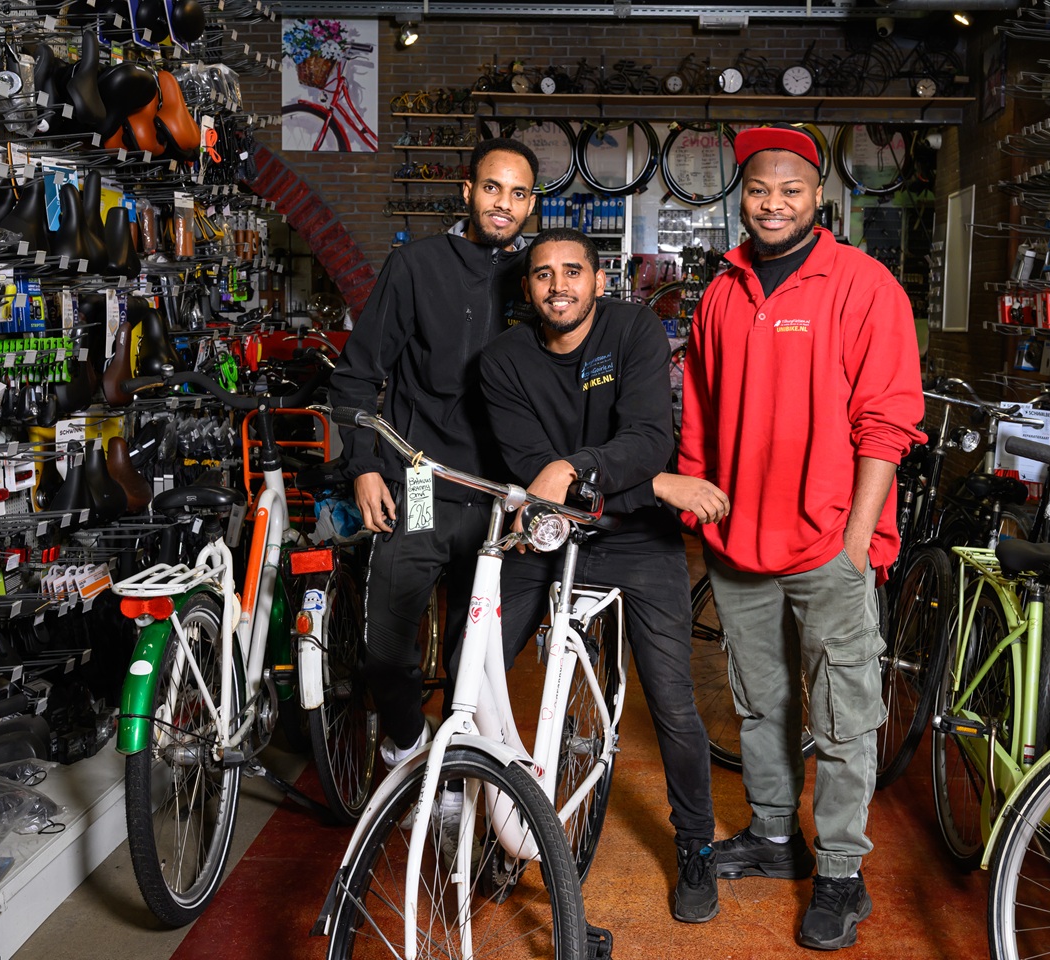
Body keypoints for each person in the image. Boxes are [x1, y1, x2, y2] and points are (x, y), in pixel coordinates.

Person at [677, 125, 926, 951]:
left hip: (830, 545)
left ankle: (842, 875)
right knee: (761, 702)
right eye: (758, 189)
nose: (773, 202)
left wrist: (856, 541)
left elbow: (888, 422)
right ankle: (776, 838)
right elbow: (702, 413)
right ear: (739, 196)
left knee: (846, 714)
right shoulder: (722, 293)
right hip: (741, 544)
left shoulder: (862, 284)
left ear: (820, 196)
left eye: (790, 188)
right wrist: (706, 513)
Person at [478, 227, 730, 924]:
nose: (558, 286)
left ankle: (697, 847)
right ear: (526, 288)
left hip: (637, 540)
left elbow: (648, 436)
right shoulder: (503, 361)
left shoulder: (633, 331)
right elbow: (535, 469)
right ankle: (487, 819)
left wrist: (577, 469)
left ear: (598, 279)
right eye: (542, 275)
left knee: (675, 705)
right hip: (553, 533)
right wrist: (652, 484)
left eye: (572, 272)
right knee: (481, 674)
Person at [328, 137, 539, 763]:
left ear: (531, 204)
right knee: (386, 654)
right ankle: (408, 746)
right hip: (420, 485)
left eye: (519, 193)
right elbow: (358, 374)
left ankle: (449, 774)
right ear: (467, 191)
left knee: (473, 659)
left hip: (500, 500)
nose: (504, 204)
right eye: (493, 188)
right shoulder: (416, 266)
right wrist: (365, 466)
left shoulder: (538, 278)